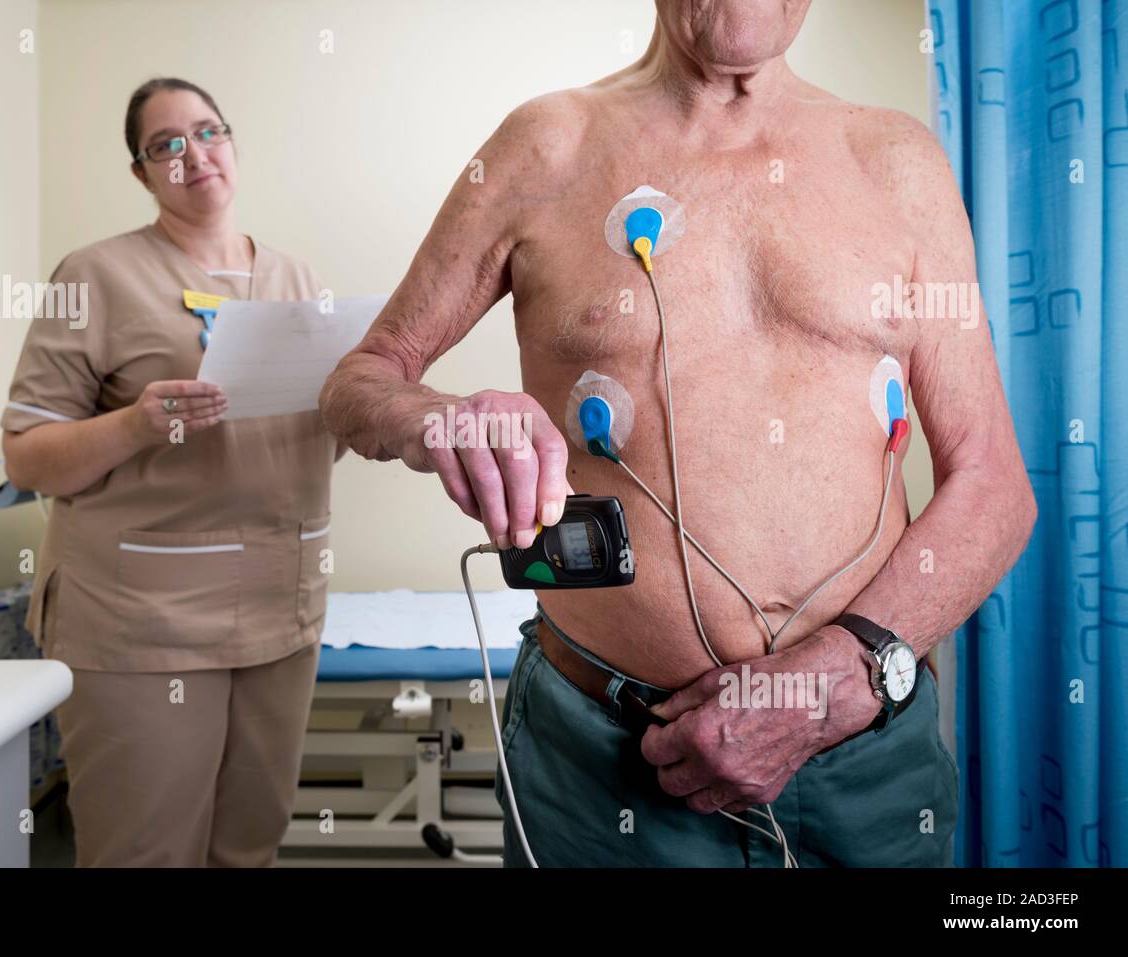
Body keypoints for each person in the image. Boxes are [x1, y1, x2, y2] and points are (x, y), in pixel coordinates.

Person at [320, 0, 1036, 866]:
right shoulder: (548, 145)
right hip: (603, 769)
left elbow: (994, 483)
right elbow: (362, 378)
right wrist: (439, 417)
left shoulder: (895, 163)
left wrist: (842, 676)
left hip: (863, 757)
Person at [2, 77, 334, 867]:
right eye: (166, 145)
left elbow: (319, 435)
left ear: (233, 143)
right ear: (141, 172)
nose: (194, 154)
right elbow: (25, 452)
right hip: (142, 624)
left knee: (249, 845)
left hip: (280, 613)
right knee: (143, 851)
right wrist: (135, 425)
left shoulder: (299, 282)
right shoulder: (95, 275)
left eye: (208, 131)